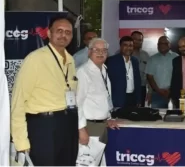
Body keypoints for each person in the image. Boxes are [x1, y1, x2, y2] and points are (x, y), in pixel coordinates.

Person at [11, 16, 79, 166]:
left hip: (68, 124)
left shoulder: (70, 60)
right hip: (44, 127)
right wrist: (21, 141)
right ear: (49, 33)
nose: (63, 35)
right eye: (59, 31)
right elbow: (18, 102)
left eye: (68, 32)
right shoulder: (35, 59)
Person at [77, 38, 119, 149]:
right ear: (89, 52)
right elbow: (77, 103)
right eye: (97, 50)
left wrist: (109, 117)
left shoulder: (103, 69)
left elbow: (105, 97)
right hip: (89, 126)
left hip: (102, 125)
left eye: (104, 50)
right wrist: (81, 130)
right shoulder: (83, 72)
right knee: (88, 163)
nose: (101, 53)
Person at [106, 36, 141, 108]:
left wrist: (138, 99)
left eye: (130, 45)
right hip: (117, 99)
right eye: (125, 45)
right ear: (120, 46)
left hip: (132, 98)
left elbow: (137, 81)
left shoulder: (135, 61)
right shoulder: (111, 61)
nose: (128, 48)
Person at [146, 36, 178, 108]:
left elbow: (180, 76)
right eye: (160, 43)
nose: (162, 45)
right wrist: (158, 91)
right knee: (156, 116)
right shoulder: (152, 59)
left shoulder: (177, 57)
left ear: (169, 45)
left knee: (174, 116)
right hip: (157, 94)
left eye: (165, 43)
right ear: (157, 45)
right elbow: (149, 77)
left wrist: (171, 91)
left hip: (173, 94)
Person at [131, 31, 150, 107]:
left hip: (141, 88)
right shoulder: (121, 53)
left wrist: (150, 92)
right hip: (125, 88)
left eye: (140, 40)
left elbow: (149, 74)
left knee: (139, 111)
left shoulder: (145, 55)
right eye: (134, 39)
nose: (137, 42)